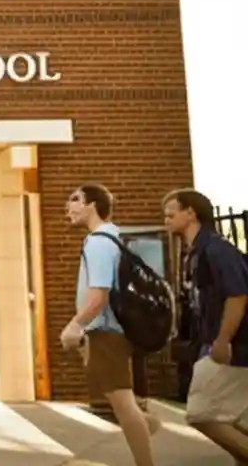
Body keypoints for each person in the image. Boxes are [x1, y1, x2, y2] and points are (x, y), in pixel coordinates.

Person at [59, 184, 160, 466]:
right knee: (116, 399)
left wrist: (74, 325)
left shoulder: (98, 242)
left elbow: (99, 295)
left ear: (92, 205)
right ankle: (145, 424)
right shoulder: (113, 237)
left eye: (75, 199)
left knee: (123, 404)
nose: (69, 206)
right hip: (109, 330)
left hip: (106, 331)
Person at [163, 188, 248, 465]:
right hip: (211, 344)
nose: (166, 219)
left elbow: (238, 295)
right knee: (228, 417)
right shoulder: (196, 253)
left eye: (171, 214)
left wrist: (223, 340)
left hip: (232, 347)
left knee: (202, 414)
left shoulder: (217, 249)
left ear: (191, 213)